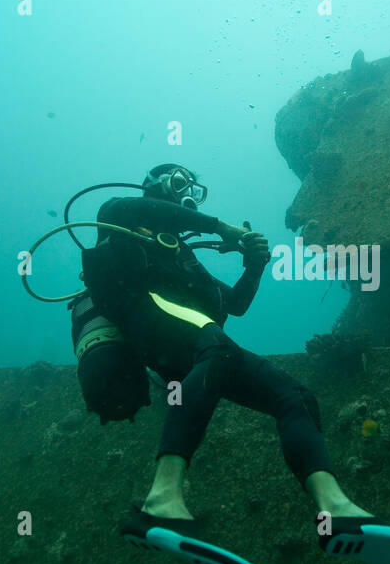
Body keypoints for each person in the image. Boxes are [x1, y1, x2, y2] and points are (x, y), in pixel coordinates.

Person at [77, 163, 370, 528]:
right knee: (219, 347)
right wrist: (220, 227)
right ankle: (163, 496)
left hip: (197, 344)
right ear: (152, 186)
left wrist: (254, 266)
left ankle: (333, 505)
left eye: (194, 191)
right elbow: (152, 211)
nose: (188, 196)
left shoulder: (182, 255)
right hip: (149, 321)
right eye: (181, 183)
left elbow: (234, 305)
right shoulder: (118, 212)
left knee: (294, 396)